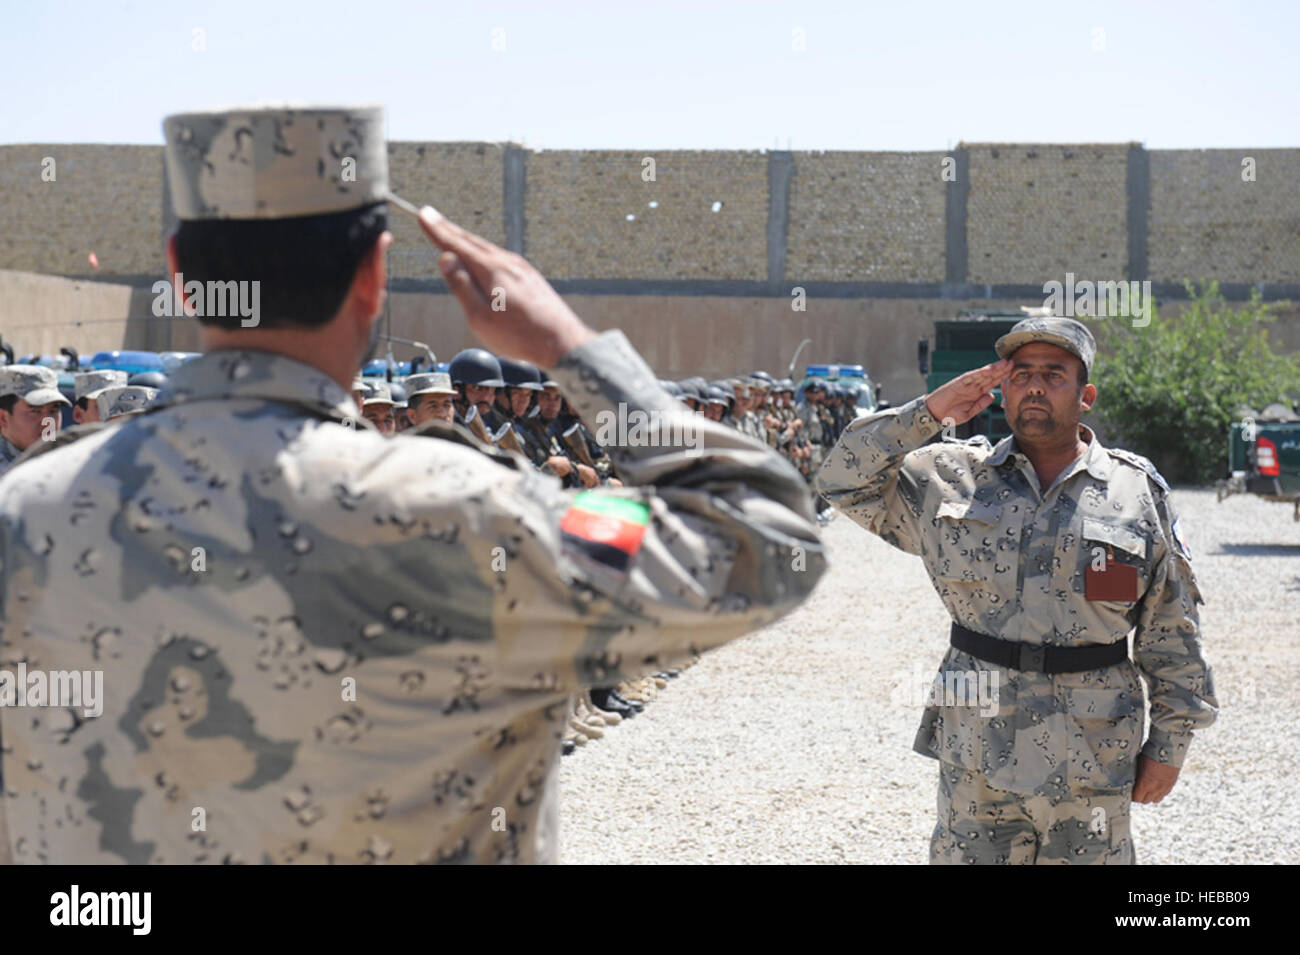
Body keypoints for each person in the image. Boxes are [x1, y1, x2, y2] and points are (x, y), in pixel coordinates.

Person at [0, 104, 826, 865]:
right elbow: (769, 538)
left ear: (182, 273)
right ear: (376, 274)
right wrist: (571, 347)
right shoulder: (469, 515)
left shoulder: (21, 516)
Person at [816, 316, 1216, 865]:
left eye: (1054, 374)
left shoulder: (1134, 494)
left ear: (1086, 395)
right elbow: (840, 478)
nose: (1034, 386)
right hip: (978, 755)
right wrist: (929, 413)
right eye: (1021, 373)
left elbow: (1171, 630)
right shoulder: (950, 476)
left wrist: (1170, 746)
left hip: (1092, 757)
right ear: (1001, 388)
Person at [0, 365, 69, 475]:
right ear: (3, 418)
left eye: (53, 411)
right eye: (35, 411)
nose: (48, 422)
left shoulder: (70, 463)